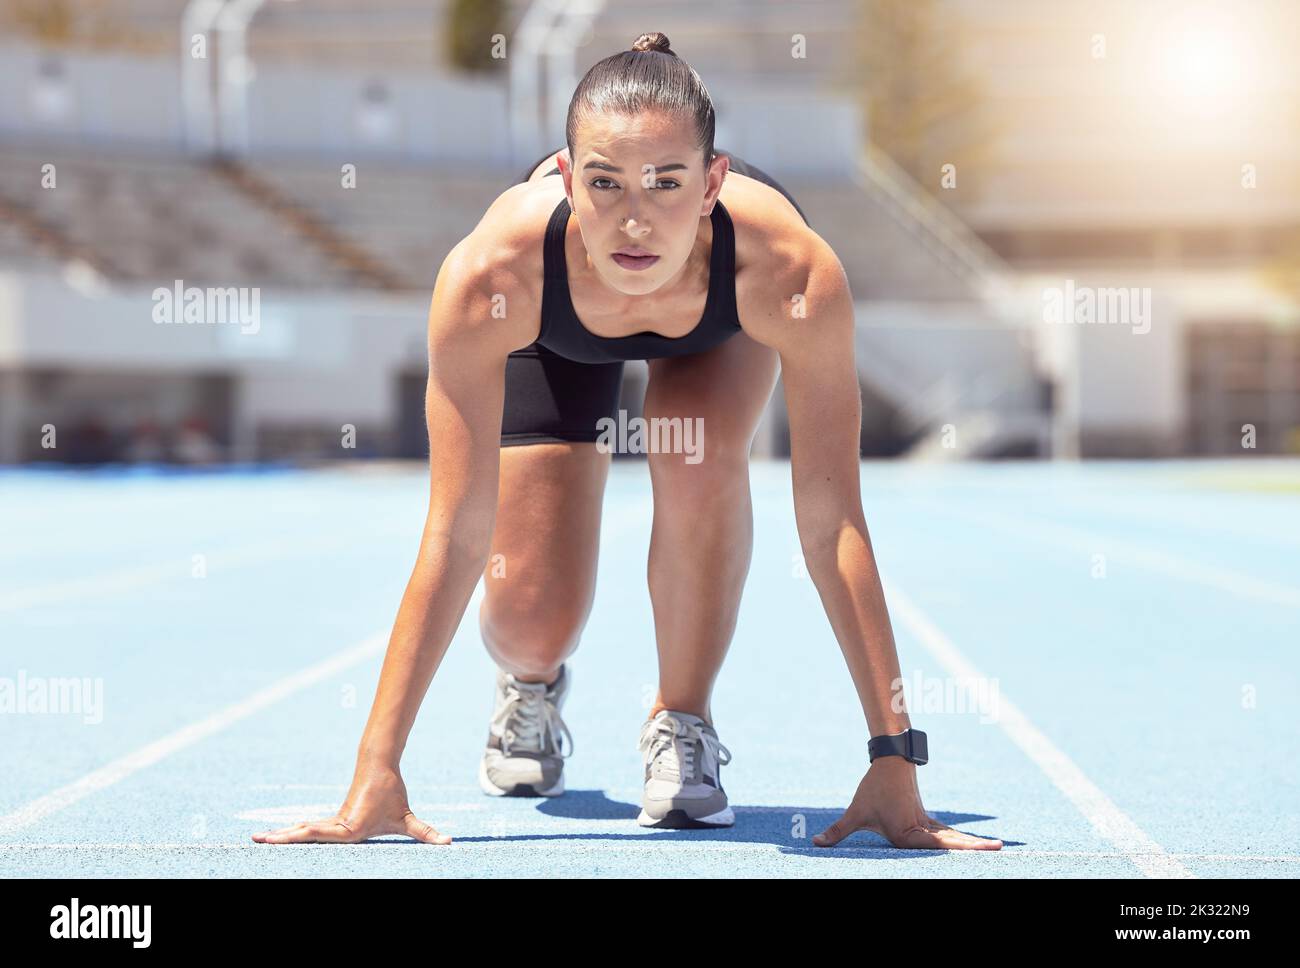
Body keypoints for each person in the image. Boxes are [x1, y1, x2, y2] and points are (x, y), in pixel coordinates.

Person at [253, 32, 1001, 851]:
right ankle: (531, 684)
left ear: (714, 182)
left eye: (667, 183)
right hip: (558, 328)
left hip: (715, 322)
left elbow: (833, 526)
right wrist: (377, 767)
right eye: (605, 184)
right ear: (567, 179)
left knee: (693, 452)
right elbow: (456, 531)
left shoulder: (786, 273)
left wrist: (895, 759)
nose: (636, 218)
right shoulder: (494, 278)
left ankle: (682, 720)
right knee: (532, 615)